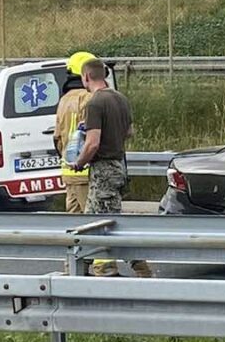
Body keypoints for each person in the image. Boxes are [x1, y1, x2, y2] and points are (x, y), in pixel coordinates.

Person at [71, 58, 152, 278]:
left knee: (109, 225)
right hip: (118, 165)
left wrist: (79, 162)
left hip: (103, 169)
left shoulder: (95, 103)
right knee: (89, 222)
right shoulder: (121, 99)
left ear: (86, 77)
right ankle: (77, 270)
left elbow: (93, 142)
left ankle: (127, 268)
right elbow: (129, 132)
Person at [54, 51, 96, 214]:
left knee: (74, 222)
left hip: (68, 171)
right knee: (91, 220)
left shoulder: (64, 100)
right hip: (86, 171)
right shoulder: (90, 98)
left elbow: (57, 137)